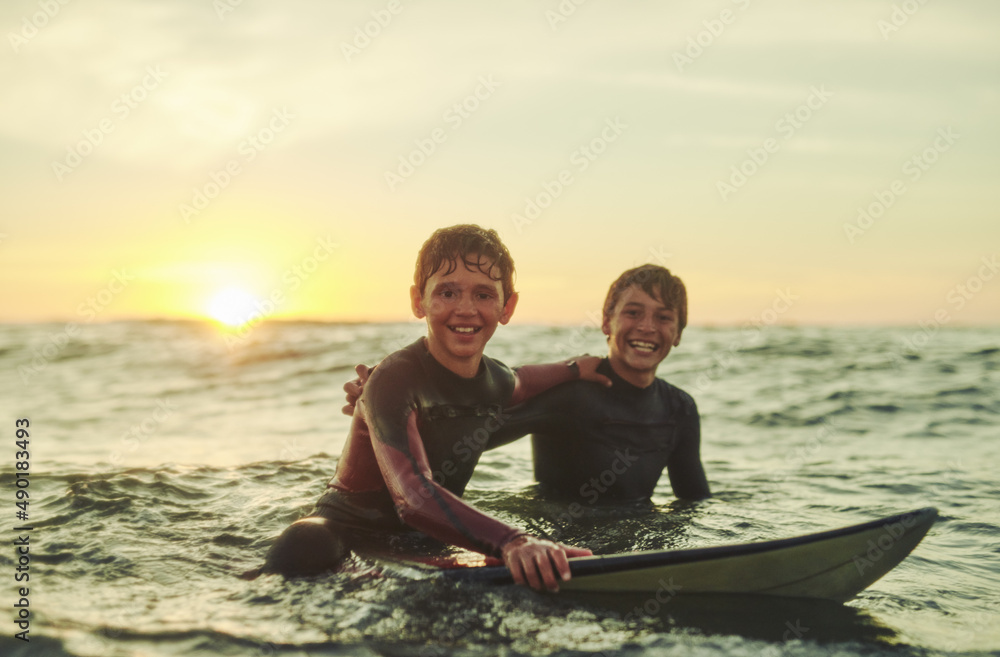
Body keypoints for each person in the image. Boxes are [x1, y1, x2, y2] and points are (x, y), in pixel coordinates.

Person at [259, 224, 610, 592]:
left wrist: (573, 370)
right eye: (447, 292)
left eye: (484, 294)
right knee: (306, 543)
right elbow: (413, 497)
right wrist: (513, 540)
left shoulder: (494, 380)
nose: (465, 309)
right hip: (346, 536)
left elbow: (522, 381)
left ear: (507, 307)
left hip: (420, 540)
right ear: (418, 301)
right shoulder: (395, 378)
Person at [343, 264, 710, 514]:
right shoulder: (574, 394)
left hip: (638, 540)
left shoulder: (680, 408)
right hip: (563, 541)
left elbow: (693, 504)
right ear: (606, 322)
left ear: (677, 334)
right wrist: (392, 399)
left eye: (663, 317)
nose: (647, 327)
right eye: (633, 313)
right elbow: (465, 434)